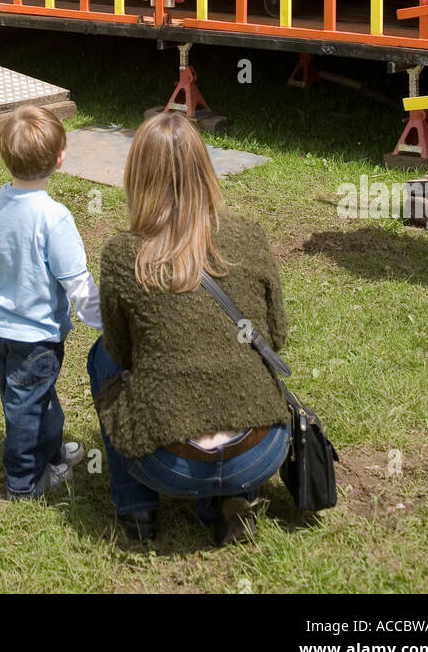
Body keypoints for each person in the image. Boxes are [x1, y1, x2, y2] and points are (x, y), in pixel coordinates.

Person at [88, 111, 291, 545]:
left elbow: (122, 354)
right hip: (260, 452)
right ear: (204, 167)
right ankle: (231, 501)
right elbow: (276, 333)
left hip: (168, 463)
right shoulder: (248, 234)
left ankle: (137, 511)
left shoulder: (124, 254)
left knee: (100, 356)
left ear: (137, 174)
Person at [0, 104, 102, 500]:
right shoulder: (54, 218)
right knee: (25, 410)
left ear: (4, 157)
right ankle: (24, 483)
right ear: (60, 159)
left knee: (34, 396)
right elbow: (77, 285)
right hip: (36, 337)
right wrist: (109, 322)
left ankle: (49, 453)